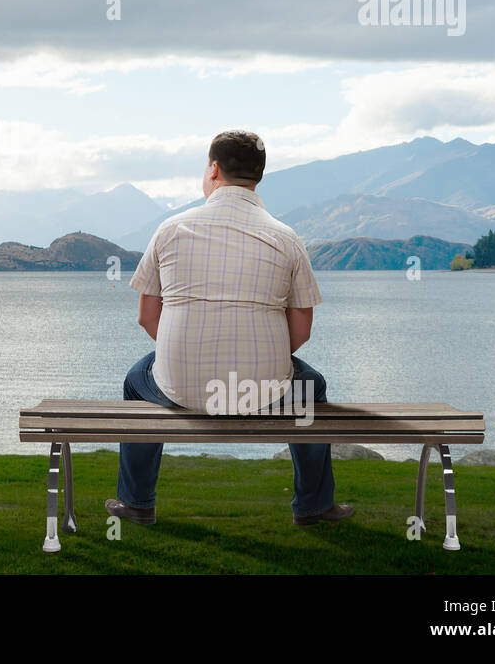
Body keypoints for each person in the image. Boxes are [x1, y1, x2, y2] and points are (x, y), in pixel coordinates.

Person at [104, 130, 353, 527]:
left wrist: (179, 355)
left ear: (214, 170)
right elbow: (302, 330)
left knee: (137, 381)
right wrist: (267, 357)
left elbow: (148, 317)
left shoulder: (170, 229)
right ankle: (314, 507)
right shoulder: (287, 238)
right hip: (263, 392)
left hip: (179, 388)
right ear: (259, 175)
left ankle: (137, 503)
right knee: (312, 387)